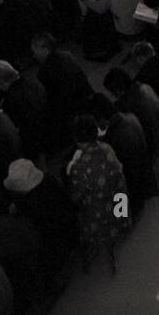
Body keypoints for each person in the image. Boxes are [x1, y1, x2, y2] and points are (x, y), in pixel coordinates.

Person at [66, 112, 129, 270]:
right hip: (119, 204)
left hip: (98, 216)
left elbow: (76, 196)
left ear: (76, 138)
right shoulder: (107, 147)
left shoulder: (79, 167)